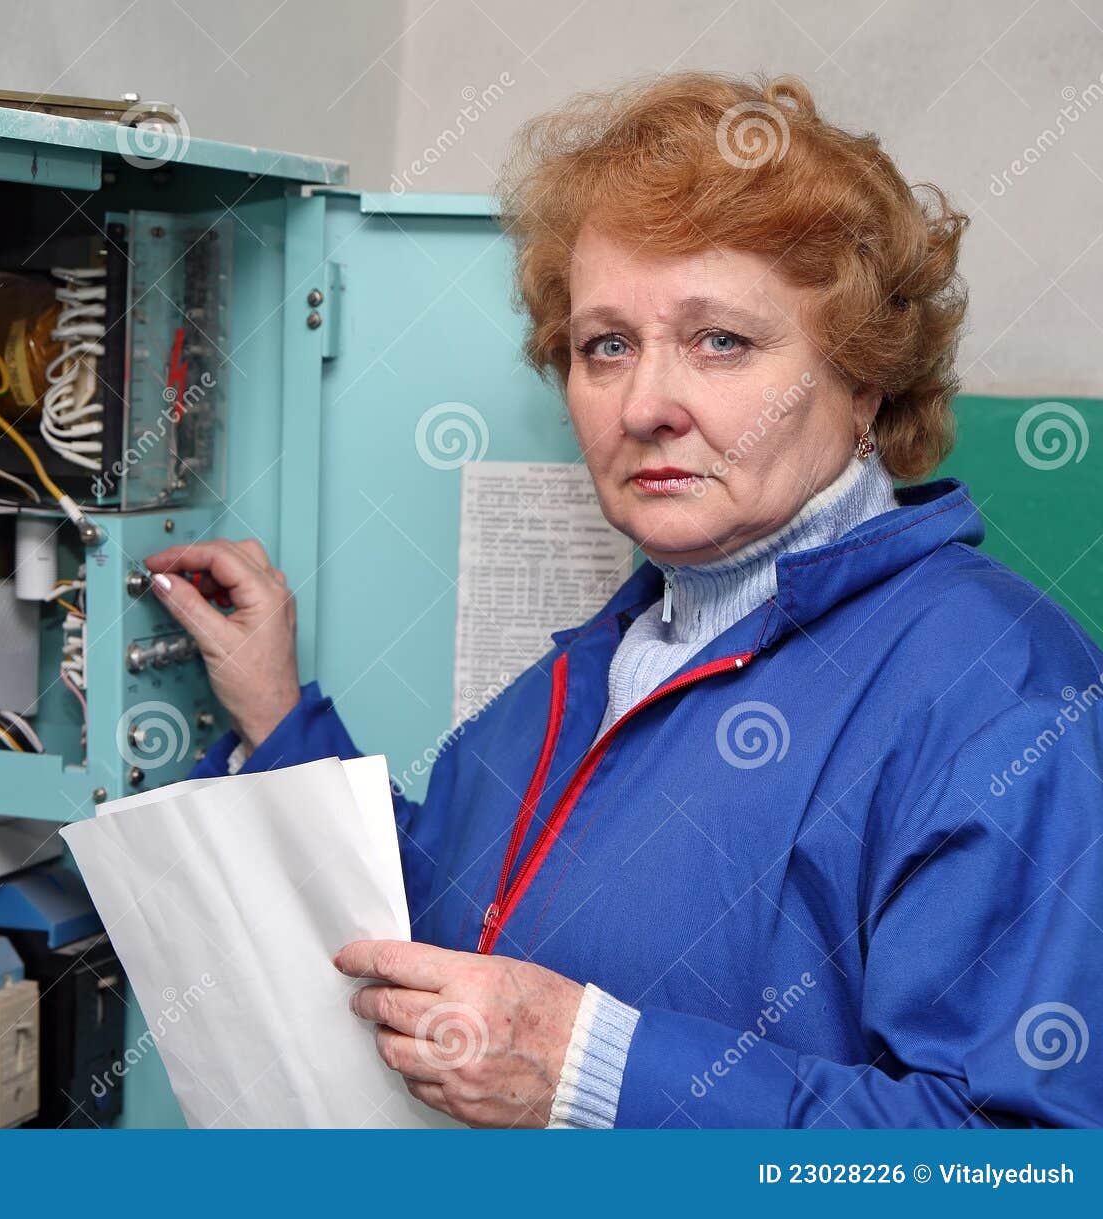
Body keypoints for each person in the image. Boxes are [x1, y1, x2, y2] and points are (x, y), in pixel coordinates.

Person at [144, 72, 1103, 1128]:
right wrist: (279, 718)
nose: (645, 405)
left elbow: (1022, 1163)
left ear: (864, 379)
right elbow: (447, 927)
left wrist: (596, 1067)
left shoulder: (997, 686)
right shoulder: (606, 659)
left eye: (720, 342)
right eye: (606, 346)